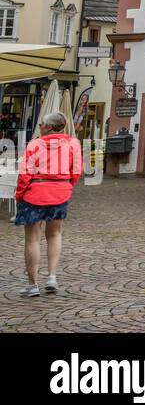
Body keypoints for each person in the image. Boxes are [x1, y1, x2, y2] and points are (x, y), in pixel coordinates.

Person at [13, 112, 83, 297]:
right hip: (59, 193)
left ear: (49, 127)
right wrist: (66, 186)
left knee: (32, 238)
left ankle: (33, 285)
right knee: (54, 234)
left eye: (42, 123)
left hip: (35, 193)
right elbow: (76, 171)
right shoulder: (72, 144)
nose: (40, 126)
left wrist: (19, 195)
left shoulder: (35, 144)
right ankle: (52, 277)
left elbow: (25, 174)